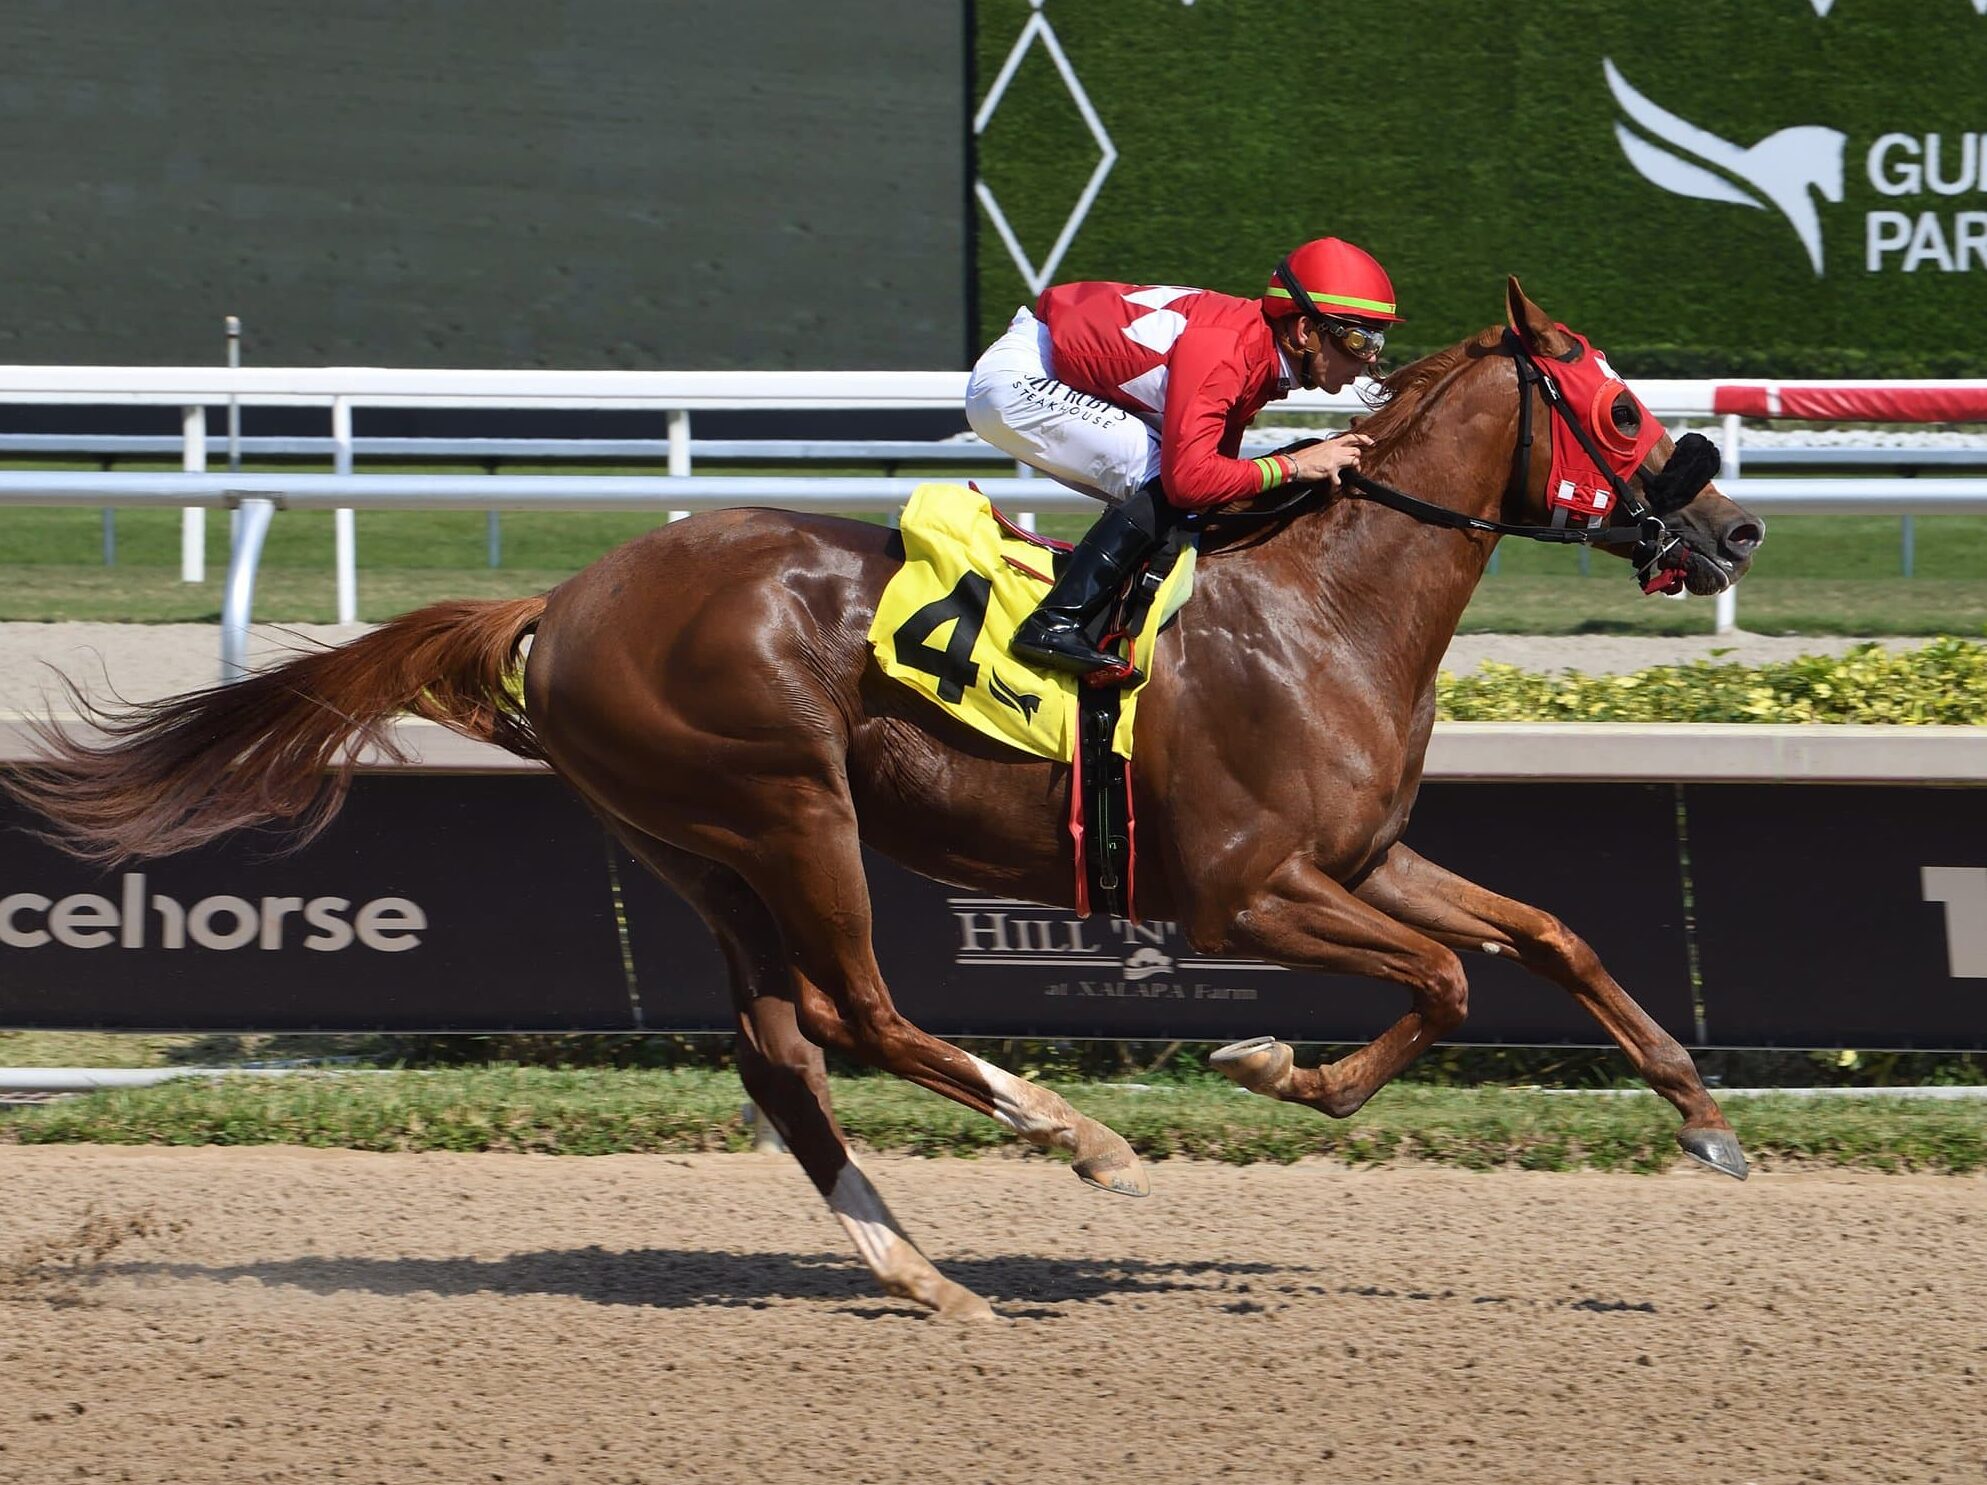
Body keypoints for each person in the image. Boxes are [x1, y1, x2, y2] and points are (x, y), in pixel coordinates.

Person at [964, 236, 1401, 680]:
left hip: (1048, 368)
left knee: (1186, 499)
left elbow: (1213, 486)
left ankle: (1110, 616)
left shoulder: (1260, 353)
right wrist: (1295, 466)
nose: (1367, 359)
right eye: (1356, 338)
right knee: (1167, 476)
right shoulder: (1229, 353)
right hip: (1022, 380)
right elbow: (1189, 480)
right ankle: (1054, 622)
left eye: (1376, 342)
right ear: (1304, 331)